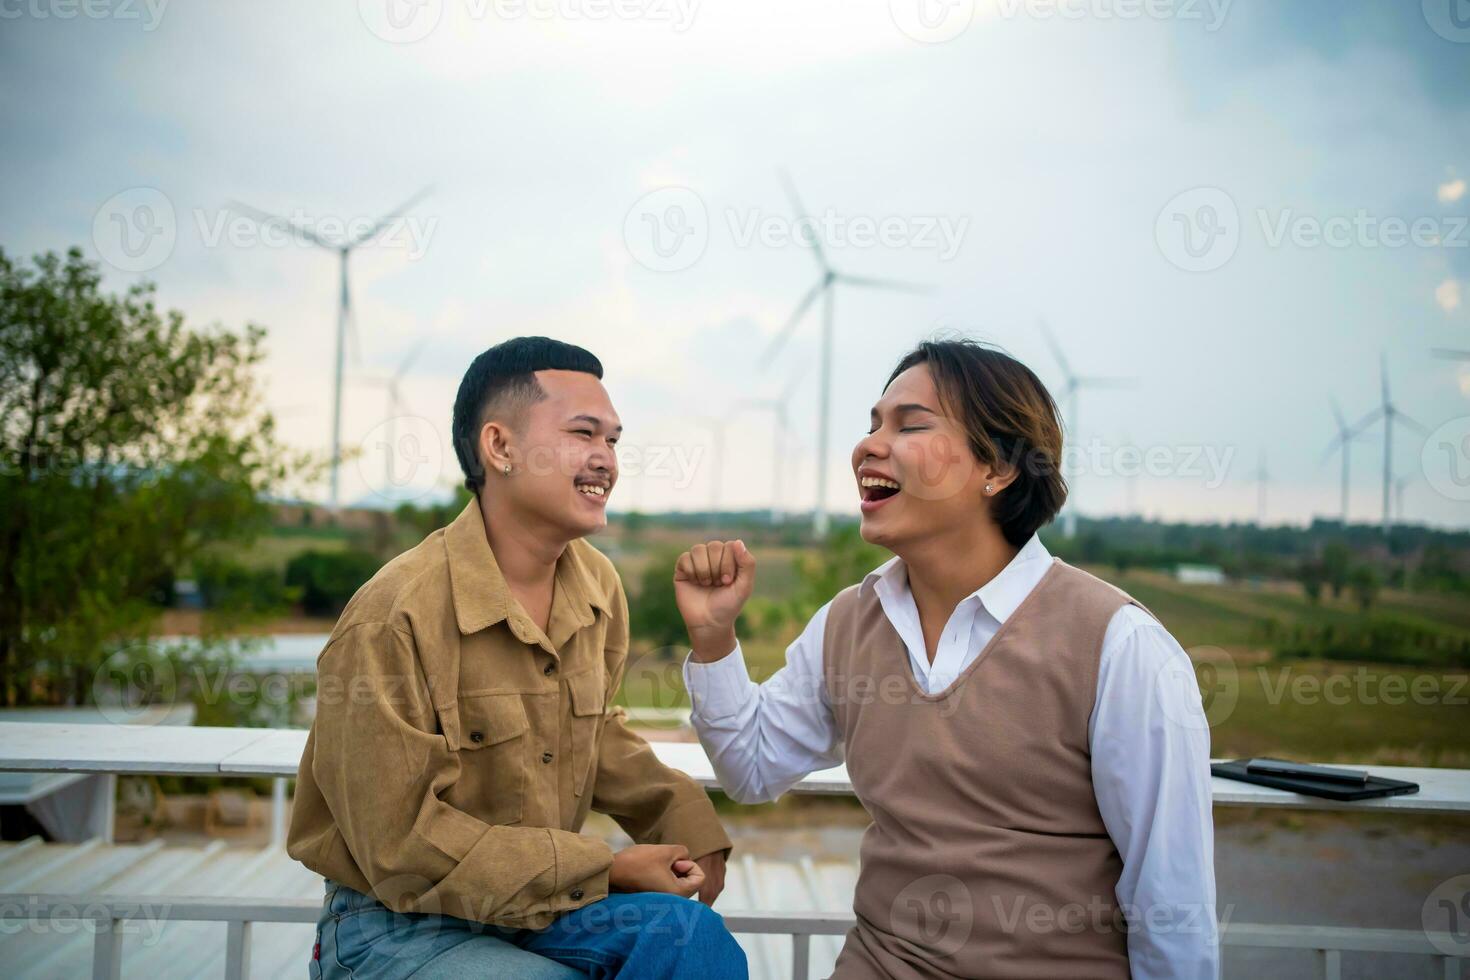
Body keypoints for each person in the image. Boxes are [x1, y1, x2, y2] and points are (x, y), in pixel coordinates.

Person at [674, 338, 1217, 978]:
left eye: (910, 424)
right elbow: (751, 767)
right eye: (872, 424)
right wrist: (714, 639)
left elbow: (1172, 909)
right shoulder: (846, 623)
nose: (869, 445)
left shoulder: (1121, 647)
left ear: (1000, 467)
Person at [288, 336, 746, 979]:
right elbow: (397, 848)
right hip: (399, 922)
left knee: (693, 939)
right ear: (499, 447)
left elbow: (595, 736)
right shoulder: (393, 615)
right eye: (583, 433)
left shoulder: (597, 588)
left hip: (543, 910)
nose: (605, 460)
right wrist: (605, 868)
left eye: (613, 441)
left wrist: (687, 820)